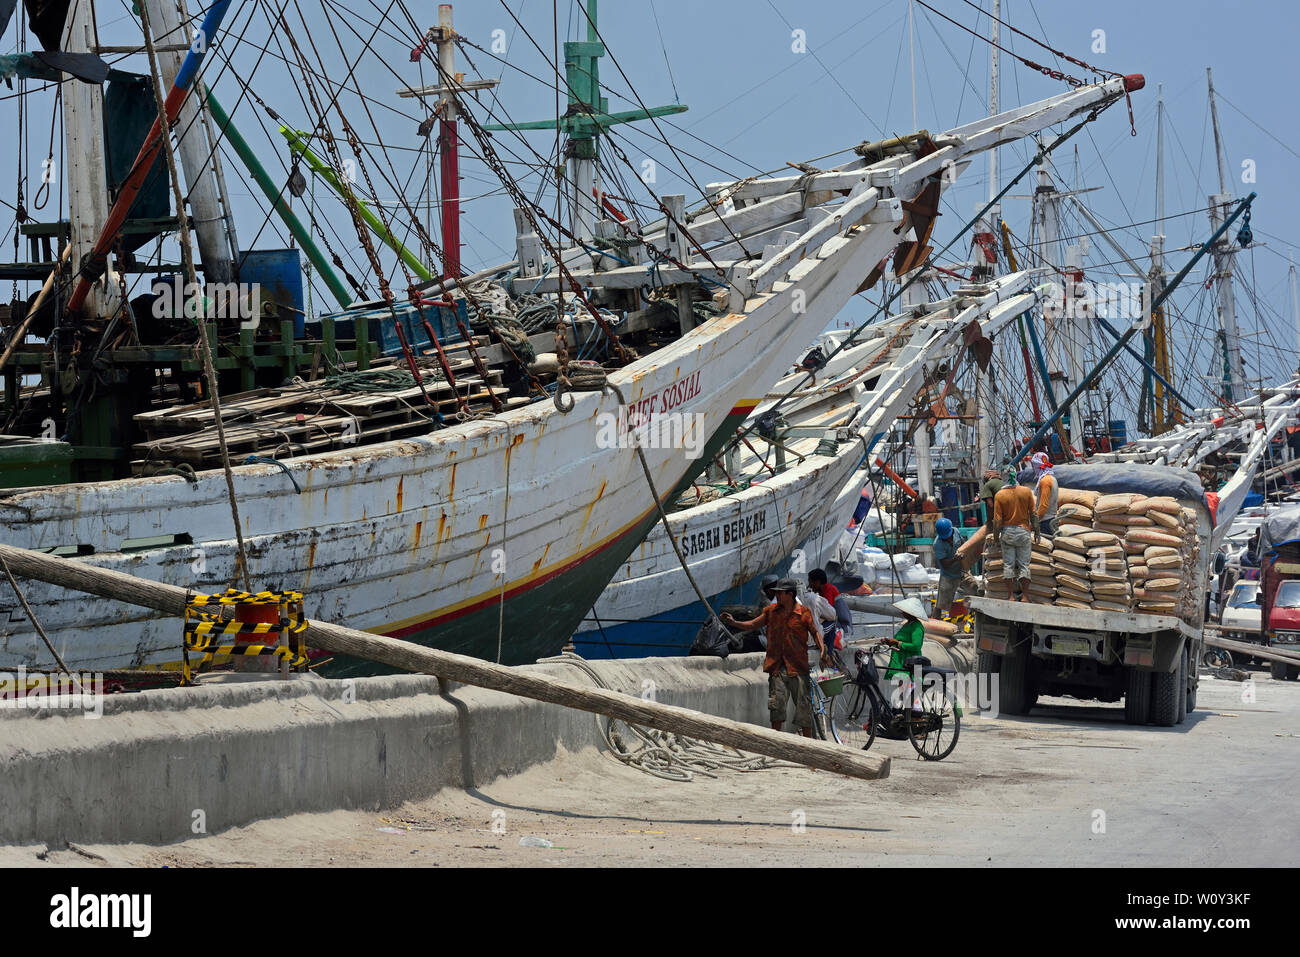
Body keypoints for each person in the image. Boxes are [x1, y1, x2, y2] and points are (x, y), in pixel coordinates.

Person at [722, 578, 825, 736]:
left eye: (780, 593)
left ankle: (808, 743)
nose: (776, 596)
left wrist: (823, 650)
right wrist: (734, 622)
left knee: (804, 708)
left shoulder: (803, 613)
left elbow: (815, 632)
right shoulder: (771, 611)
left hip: (798, 668)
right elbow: (752, 624)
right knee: (776, 707)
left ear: (789, 594)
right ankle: (775, 741)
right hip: (777, 667)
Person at [991, 470, 1039, 601]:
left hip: (1007, 533)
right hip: (1024, 532)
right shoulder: (1026, 491)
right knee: (1024, 565)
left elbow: (997, 521)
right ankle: (1025, 596)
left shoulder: (999, 495)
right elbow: (1034, 514)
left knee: (1008, 565)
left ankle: (1011, 596)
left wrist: (996, 538)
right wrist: (1037, 532)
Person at [882, 597, 927, 710]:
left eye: (905, 611)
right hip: (902, 663)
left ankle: (916, 717)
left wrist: (898, 643)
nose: (903, 612)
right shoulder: (907, 624)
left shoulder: (917, 626)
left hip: (910, 664)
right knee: (903, 692)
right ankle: (907, 718)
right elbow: (900, 642)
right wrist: (890, 642)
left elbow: (916, 645)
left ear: (911, 612)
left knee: (910, 693)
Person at [933, 517, 981, 613]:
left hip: (962, 572)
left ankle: (976, 618)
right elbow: (944, 564)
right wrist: (955, 559)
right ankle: (935, 622)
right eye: (945, 537)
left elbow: (964, 546)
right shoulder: (937, 544)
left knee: (978, 593)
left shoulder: (955, 532)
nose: (948, 539)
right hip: (948, 576)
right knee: (941, 605)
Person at [1031, 452, 1059, 537]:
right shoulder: (1052, 478)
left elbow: (1043, 506)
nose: (1033, 468)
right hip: (1052, 519)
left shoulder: (1045, 481)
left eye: (1033, 466)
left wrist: (1035, 523)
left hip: (1045, 522)